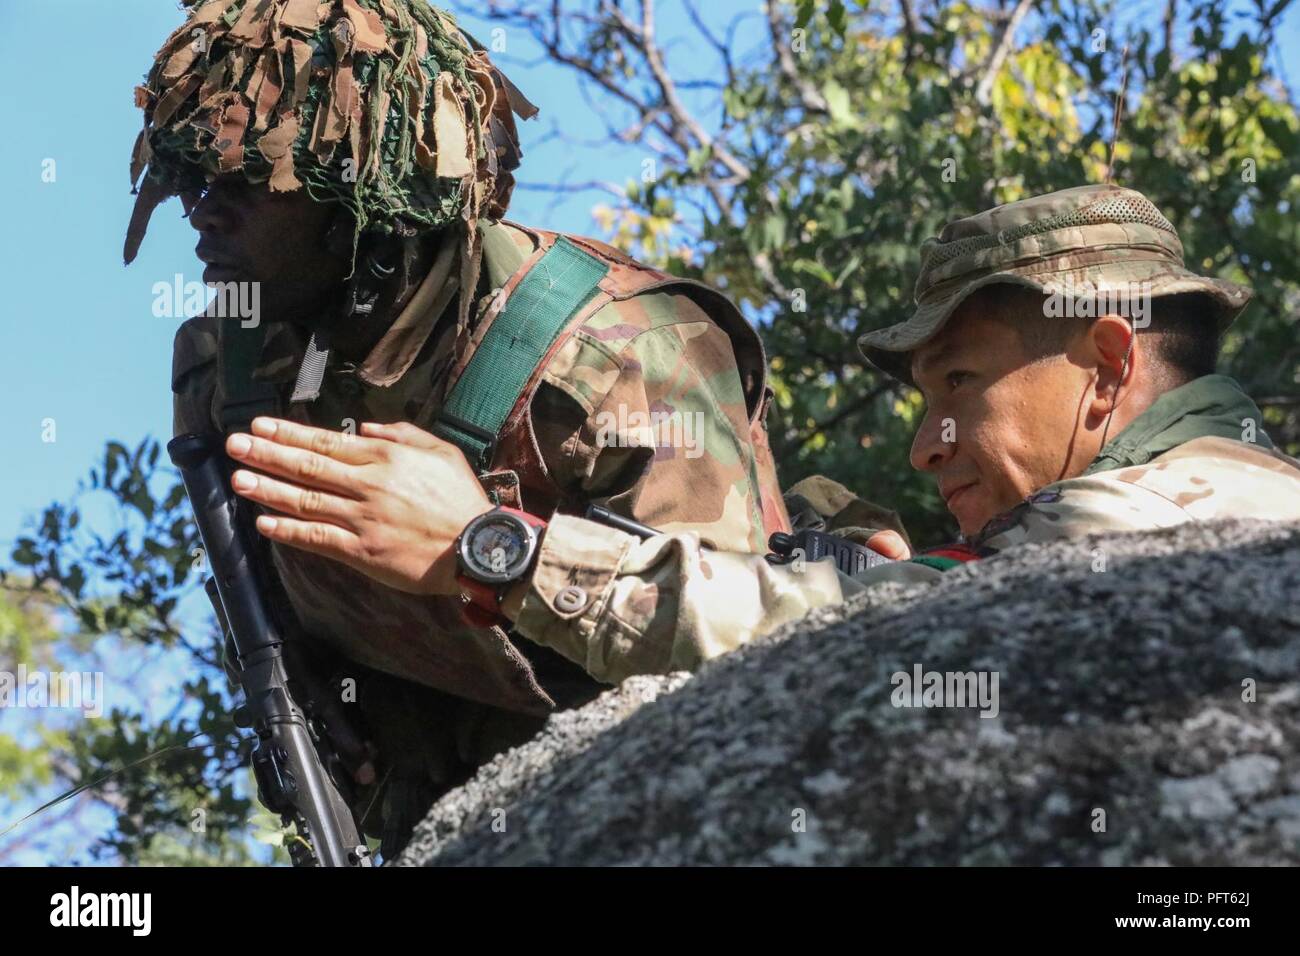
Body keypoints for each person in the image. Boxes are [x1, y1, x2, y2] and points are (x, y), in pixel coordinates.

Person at [130, 0, 788, 856]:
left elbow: (745, 665)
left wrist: (486, 550)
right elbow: (258, 618)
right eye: (192, 179)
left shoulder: (616, 355)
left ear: (369, 190)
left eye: (249, 179)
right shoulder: (229, 367)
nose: (202, 215)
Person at [229, 184, 1300, 702]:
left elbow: (863, 631)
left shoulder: (1154, 514)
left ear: (1108, 366)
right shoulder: (1239, 495)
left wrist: (491, 547)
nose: (928, 447)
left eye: (959, 383)